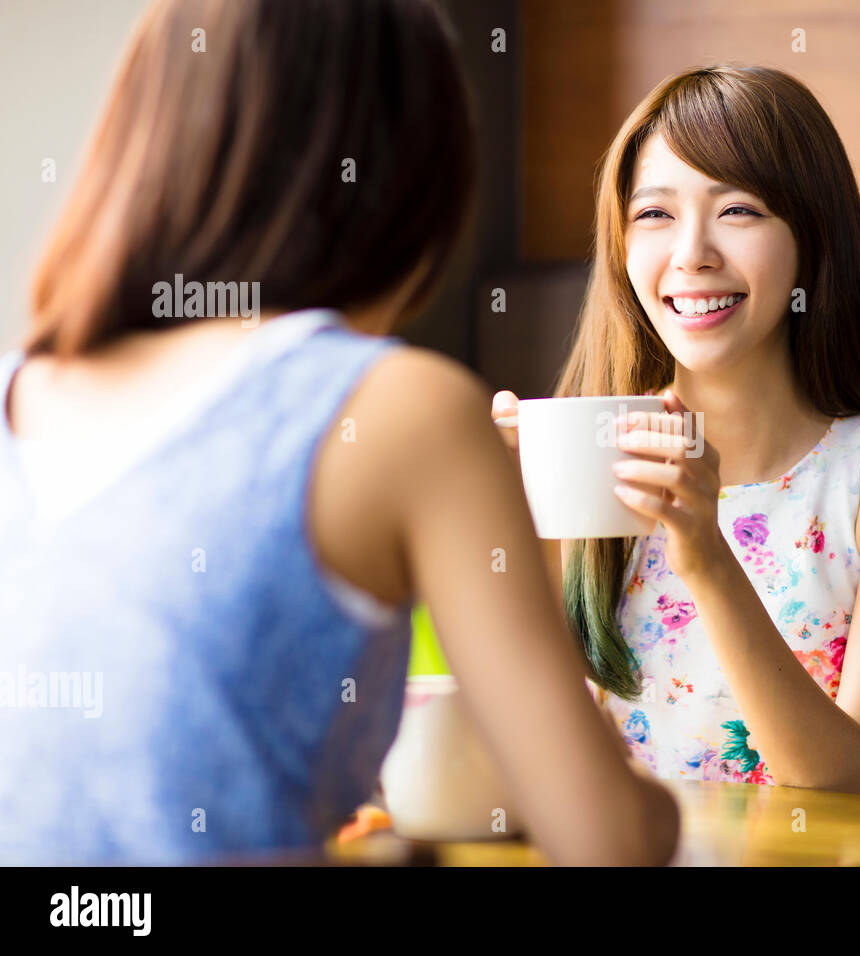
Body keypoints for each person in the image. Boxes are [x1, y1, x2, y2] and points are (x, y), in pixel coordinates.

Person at [0, 0, 678, 866]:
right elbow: (607, 839)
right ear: (420, 179)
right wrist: (662, 801)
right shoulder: (404, 408)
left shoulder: (22, 388)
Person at [494, 65, 860, 864]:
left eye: (738, 210)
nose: (692, 253)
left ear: (813, 234)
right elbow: (554, 756)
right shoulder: (595, 454)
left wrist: (706, 555)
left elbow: (854, 784)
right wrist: (493, 530)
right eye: (654, 214)